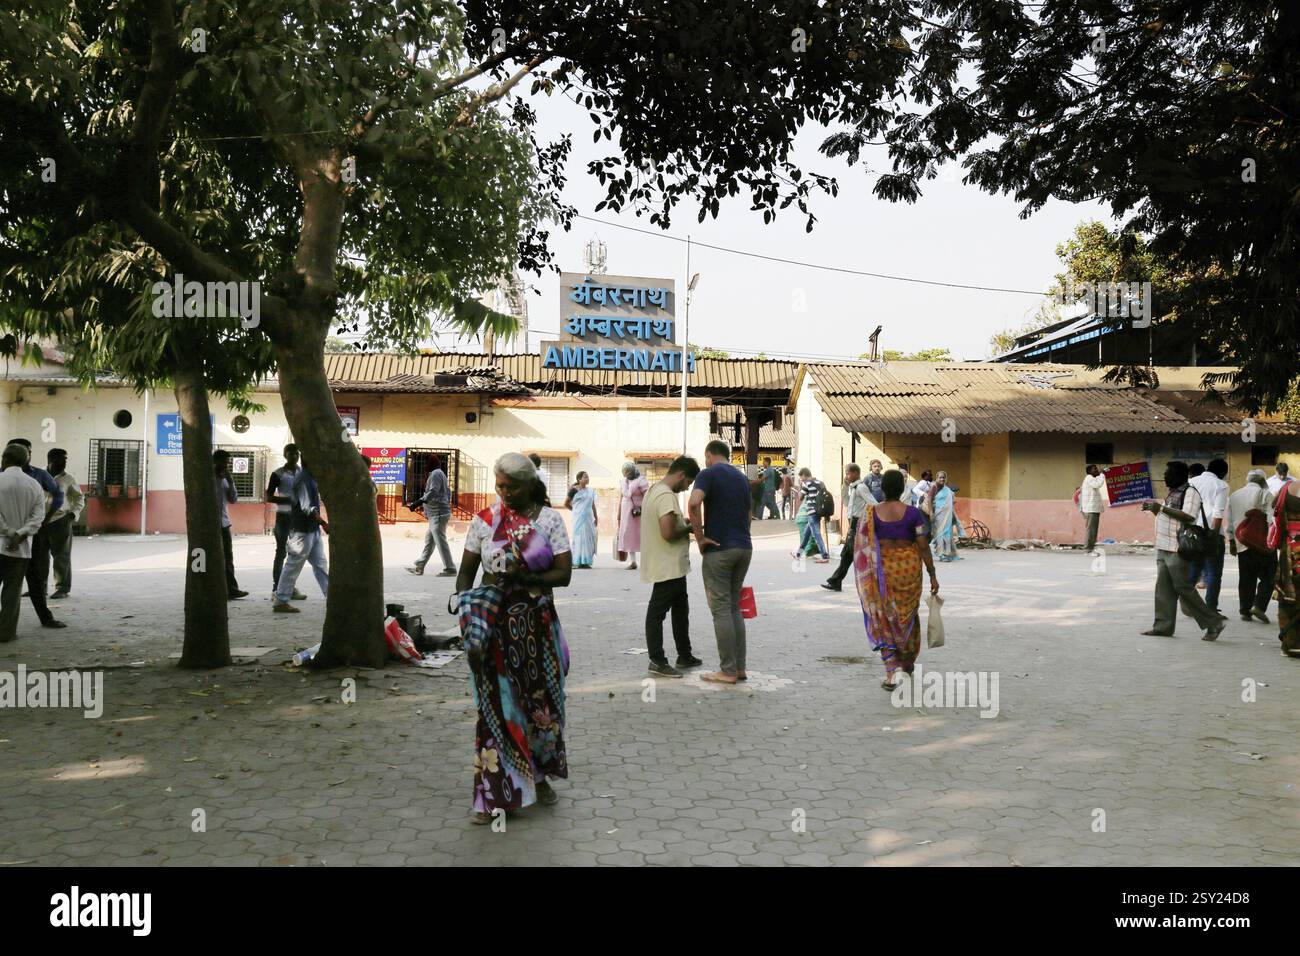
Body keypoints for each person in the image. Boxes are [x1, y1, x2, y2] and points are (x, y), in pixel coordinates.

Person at [455, 453, 571, 824]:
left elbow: (563, 575)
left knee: (538, 703)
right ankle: (492, 797)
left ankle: (538, 778)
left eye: (512, 486)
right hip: (493, 627)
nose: (504, 492)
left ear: (530, 485)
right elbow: (465, 575)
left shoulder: (550, 521)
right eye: (500, 485)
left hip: (535, 628)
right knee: (495, 706)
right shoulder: (485, 521)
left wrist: (526, 577)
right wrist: (464, 610)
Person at [855, 469, 939, 690]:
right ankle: (906, 664)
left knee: (885, 619)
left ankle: (893, 673)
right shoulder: (913, 513)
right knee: (907, 617)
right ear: (903, 489)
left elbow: (862, 548)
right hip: (908, 572)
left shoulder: (870, 513)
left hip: (881, 574)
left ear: (882, 488)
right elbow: (922, 546)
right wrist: (932, 574)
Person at [688, 440, 754, 684]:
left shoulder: (708, 473)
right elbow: (749, 512)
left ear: (708, 455)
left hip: (720, 550)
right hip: (744, 548)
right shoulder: (740, 477)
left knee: (721, 609)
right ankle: (739, 668)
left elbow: (694, 502)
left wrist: (700, 538)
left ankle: (726, 671)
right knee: (734, 607)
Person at [1139, 461, 1226, 641]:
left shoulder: (1190, 492)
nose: (1165, 476)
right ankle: (1163, 626)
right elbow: (1168, 517)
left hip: (1177, 548)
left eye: (1168, 473)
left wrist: (1161, 508)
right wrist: (1155, 509)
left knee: (1183, 588)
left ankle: (1213, 622)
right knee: (1163, 589)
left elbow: (1189, 515)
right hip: (1163, 546)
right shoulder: (1173, 493)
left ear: (1180, 475)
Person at [641, 456, 703, 677]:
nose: (686, 487)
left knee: (680, 611)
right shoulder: (666, 496)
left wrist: (681, 524)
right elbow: (667, 533)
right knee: (657, 614)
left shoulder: (654, 491)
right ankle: (657, 660)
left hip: (670, 564)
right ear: (681, 475)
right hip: (667, 565)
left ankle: (684, 655)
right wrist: (689, 528)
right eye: (687, 483)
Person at [9, 438, 66, 628]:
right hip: (9, 535)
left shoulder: (38, 476)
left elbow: (58, 494)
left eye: (29, 451)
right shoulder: (3, 475)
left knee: (36, 578)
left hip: (33, 534)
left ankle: (45, 617)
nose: (28, 455)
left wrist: (46, 519)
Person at [0, 444, 47, 643]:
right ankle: (6, 633)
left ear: (4, 458)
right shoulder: (34, 485)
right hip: (20, 549)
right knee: (12, 592)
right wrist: (20, 534)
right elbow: (38, 518)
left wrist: (8, 532)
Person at [272, 458, 329, 612]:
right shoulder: (303, 479)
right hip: (302, 530)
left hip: (312, 529)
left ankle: (331, 598)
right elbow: (307, 508)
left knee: (321, 564)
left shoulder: (310, 478)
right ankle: (281, 601)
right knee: (293, 564)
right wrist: (323, 523)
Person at [1228, 470, 1276, 623]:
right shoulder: (1266, 494)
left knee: (1246, 578)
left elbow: (1229, 522)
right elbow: (1271, 518)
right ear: (1263, 481)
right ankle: (1259, 606)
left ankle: (1245, 610)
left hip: (1242, 542)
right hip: (1262, 543)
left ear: (1247, 480)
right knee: (1269, 576)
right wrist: (1273, 540)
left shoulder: (1234, 495)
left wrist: (1231, 542)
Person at [1187, 458, 1229, 611]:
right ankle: (1211, 608)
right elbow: (1218, 513)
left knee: (1193, 570)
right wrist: (1214, 536)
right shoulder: (1221, 485)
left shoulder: (1192, 482)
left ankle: (1188, 603)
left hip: (1192, 532)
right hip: (1211, 532)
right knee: (1213, 574)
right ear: (1223, 473)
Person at [822, 464, 872, 592]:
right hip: (853, 524)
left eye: (848, 473)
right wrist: (844, 487)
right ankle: (836, 581)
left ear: (856, 473)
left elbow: (873, 503)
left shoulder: (861, 488)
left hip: (857, 523)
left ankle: (837, 580)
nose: (846, 476)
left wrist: (866, 518)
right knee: (847, 554)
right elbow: (846, 502)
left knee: (852, 554)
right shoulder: (853, 488)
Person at [265, 444, 306, 599]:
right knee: (281, 552)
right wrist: (290, 500)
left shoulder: (303, 473)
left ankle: (290, 587)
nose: (294, 456)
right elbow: (269, 497)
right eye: (291, 453)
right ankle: (276, 588)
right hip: (283, 517)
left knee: (295, 554)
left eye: (297, 453)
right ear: (285, 455)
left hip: (298, 518)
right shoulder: (278, 474)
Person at [45, 448, 84, 600]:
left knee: (62, 556)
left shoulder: (68, 479)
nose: (65, 462)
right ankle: (38, 588)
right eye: (62, 459)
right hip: (40, 522)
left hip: (60, 520)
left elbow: (79, 498)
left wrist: (73, 515)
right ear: (51, 460)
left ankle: (62, 588)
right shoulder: (39, 475)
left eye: (66, 459)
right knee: (39, 558)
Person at [407, 459, 457, 577]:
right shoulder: (440, 474)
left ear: (431, 464)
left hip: (438, 514)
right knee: (429, 542)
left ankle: (450, 568)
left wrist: (419, 502)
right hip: (436, 514)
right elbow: (447, 492)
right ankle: (420, 566)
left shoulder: (435, 474)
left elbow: (433, 491)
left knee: (441, 542)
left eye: (426, 463)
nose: (425, 466)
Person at [212, 450, 248, 599]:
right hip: (210, 524)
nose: (226, 465)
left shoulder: (226, 479)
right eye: (224, 462)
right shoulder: (208, 477)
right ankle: (212, 589)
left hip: (224, 522)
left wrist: (231, 481)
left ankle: (231, 589)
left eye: (227, 463)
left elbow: (233, 499)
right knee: (209, 557)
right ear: (216, 462)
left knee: (228, 557)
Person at [1273, 479, 1300, 655]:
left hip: (1289, 547)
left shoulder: (1285, 488)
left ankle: (1290, 643)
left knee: (1289, 594)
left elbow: (1274, 507)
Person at [616, 461, 649, 570]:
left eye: (628, 471)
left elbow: (647, 496)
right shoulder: (624, 481)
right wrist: (619, 514)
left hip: (639, 512)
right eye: (625, 472)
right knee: (629, 534)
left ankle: (647, 562)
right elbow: (622, 498)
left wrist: (644, 508)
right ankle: (633, 562)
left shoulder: (641, 480)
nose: (627, 474)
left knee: (642, 535)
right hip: (626, 513)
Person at [794, 467, 830, 563]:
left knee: (816, 534)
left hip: (811, 512)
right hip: (819, 511)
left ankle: (824, 555)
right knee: (807, 533)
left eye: (801, 478)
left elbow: (800, 497)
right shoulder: (820, 483)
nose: (802, 479)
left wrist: (801, 486)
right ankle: (798, 553)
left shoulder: (807, 484)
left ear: (804, 475)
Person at [565, 471, 597, 568]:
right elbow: (566, 503)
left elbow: (592, 505)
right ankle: (577, 561)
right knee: (578, 539)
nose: (587, 479)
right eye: (585, 477)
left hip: (588, 519)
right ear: (579, 479)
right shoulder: (573, 490)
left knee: (588, 539)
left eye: (588, 477)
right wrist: (576, 511)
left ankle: (586, 562)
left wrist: (596, 517)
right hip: (578, 518)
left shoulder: (590, 491)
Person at [928, 471, 962, 562]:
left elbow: (951, 502)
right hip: (938, 516)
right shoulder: (934, 487)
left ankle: (948, 553)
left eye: (943, 477)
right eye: (940, 477)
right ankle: (942, 555)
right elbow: (929, 500)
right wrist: (931, 513)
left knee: (947, 534)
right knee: (940, 534)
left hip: (947, 516)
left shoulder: (947, 489)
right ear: (937, 478)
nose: (942, 479)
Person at [1079, 464, 1108, 553]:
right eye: (1094, 469)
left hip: (1093, 509)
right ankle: (1088, 548)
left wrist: (1101, 474)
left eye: (1096, 469)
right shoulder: (1089, 478)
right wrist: (1102, 474)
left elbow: (1097, 482)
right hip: (1090, 509)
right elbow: (1098, 484)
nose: (1096, 470)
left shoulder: (1092, 478)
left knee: (1093, 529)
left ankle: (1090, 547)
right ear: (1089, 471)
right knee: (1091, 529)